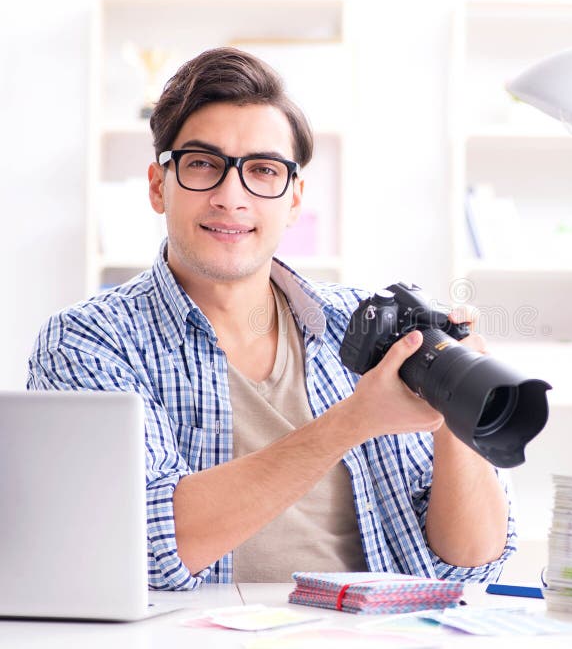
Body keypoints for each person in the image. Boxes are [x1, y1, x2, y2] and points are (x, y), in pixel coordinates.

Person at [27, 47, 516, 590]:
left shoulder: (372, 327)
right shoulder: (88, 342)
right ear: (158, 186)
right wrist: (354, 420)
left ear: (294, 198)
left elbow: (472, 564)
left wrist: (457, 410)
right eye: (203, 165)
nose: (231, 197)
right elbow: (141, 549)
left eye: (263, 170)